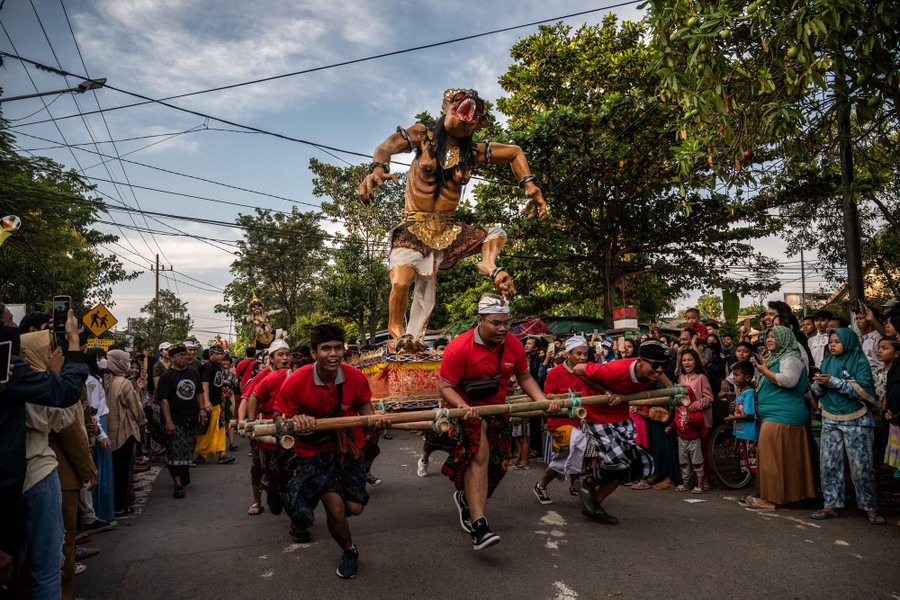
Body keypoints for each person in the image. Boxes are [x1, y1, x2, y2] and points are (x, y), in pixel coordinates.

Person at [359, 89, 547, 343]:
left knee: (496, 234)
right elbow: (386, 147)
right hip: (413, 227)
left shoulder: (472, 153)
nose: (468, 113)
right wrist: (378, 169)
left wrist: (529, 184)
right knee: (401, 282)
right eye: (460, 105)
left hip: (448, 231)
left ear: (477, 122)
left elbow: (514, 152)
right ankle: (397, 331)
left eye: (475, 113)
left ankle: (489, 265)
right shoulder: (422, 136)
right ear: (446, 107)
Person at [437, 294, 556, 549]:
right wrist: (462, 407)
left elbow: (524, 377)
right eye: (496, 323)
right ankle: (479, 525)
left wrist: (543, 402)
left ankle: (467, 500)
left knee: (498, 466)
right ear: (480, 320)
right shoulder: (459, 347)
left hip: (499, 411)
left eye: (506, 323)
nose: (503, 328)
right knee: (479, 455)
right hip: (466, 413)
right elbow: (445, 386)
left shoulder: (513, 345)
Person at [274, 323, 384, 579]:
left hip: (349, 450)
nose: (333, 353)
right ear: (314, 353)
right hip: (314, 454)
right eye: (326, 349)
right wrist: (295, 422)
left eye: (337, 347)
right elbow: (280, 421)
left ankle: (332, 507)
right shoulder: (296, 381)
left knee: (354, 508)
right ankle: (349, 550)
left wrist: (376, 420)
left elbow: (366, 410)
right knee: (335, 510)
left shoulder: (355, 377)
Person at [0, 307, 85, 594]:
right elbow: (63, 414)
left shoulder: (16, 376)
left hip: (12, 483)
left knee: (19, 562)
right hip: (38, 475)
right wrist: (69, 352)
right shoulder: (28, 383)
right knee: (48, 566)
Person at [572, 340, 673, 524]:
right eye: (656, 365)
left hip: (620, 415)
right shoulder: (614, 369)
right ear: (640, 361)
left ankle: (593, 504)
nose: (659, 370)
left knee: (631, 464)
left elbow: (661, 375)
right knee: (616, 463)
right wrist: (606, 391)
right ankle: (587, 482)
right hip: (597, 414)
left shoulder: (652, 371)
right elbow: (578, 369)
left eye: (664, 365)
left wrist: (674, 388)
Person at [809, 328, 885, 525]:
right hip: (830, 417)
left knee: (861, 467)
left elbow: (865, 392)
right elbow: (818, 392)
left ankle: (869, 507)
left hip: (857, 419)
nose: (832, 345)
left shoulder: (860, 361)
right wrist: (818, 384)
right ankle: (830, 504)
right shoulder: (826, 362)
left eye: (837, 341)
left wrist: (833, 381)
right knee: (828, 464)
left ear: (848, 342)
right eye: (831, 342)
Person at [746, 327, 816, 511]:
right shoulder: (777, 358)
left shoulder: (791, 358)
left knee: (772, 460)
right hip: (778, 416)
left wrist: (764, 370)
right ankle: (791, 497)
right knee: (787, 460)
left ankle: (771, 500)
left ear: (784, 339)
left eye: (773, 336)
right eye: (767, 336)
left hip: (783, 416)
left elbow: (788, 381)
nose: (769, 339)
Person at [533, 336, 590, 504]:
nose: (582, 357)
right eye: (578, 354)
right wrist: (556, 403)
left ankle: (571, 485)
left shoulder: (587, 370)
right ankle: (543, 485)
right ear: (568, 354)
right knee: (576, 444)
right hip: (559, 421)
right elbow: (548, 397)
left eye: (585, 354)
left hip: (581, 420)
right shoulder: (555, 372)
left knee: (570, 453)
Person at [244, 340, 291, 515]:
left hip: (289, 424)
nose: (285, 358)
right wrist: (250, 423)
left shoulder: (294, 374)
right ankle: (257, 501)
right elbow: (248, 398)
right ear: (271, 359)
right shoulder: (262, 376)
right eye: (281, 354)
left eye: (287, 354)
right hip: (266, 425)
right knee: (258, 467)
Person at [157, 344, 206, 498]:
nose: (184, 357)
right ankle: (177, 484)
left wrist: (202, 409)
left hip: (191, 418)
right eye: (181, 355)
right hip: (175, 419)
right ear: (172, 358)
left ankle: (183, 478)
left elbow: (199, 392)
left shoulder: (193, 373)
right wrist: (168, 421)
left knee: (187, 448)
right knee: (175, 450)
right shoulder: (167, 376)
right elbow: (163, 400)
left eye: (185, 355)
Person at [104, 350, 146, 517]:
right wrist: (143, 422)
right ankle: (120, 506)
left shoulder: (105, 379)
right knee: (122, 472)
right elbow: (136, 409)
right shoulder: (124, 383)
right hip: (125, 432)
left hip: (108, 432)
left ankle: (113, 504)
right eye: (126, 361)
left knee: (112, 470)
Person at [674, 348, 713, 491]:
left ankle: (705, 480)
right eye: (684, 360)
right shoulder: (681, 379)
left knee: (701, 451)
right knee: (685, 454)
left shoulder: (701, 378)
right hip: (685, 421)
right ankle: (688, 481)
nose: (686, 362)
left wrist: (697, 404)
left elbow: (709, 398)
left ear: (695, 361)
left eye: (689, 359)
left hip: (700, 421)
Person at [194, 345, 234, 465]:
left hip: (218, 404)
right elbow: (204, 384)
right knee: (207, 430)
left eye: (222, 354)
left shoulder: (218, 367)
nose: (221, 356)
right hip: (209, 404)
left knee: (220, 428)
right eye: (218, 354)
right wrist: (206, 401)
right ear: (211, 355)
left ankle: (222, 454)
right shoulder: (208, 367)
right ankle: (201, 454)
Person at [724, 361, 759, 495]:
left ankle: (757, 492)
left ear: (748, 378)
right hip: (743, 434)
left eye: (737, 375)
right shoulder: (741, 392)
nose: (734, 378)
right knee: (749, 466)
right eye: (733, 375)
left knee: (754, 465)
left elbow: (750, 415)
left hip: (750, 434)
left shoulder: (749, 392)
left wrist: (734, 418)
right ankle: (755, 491)